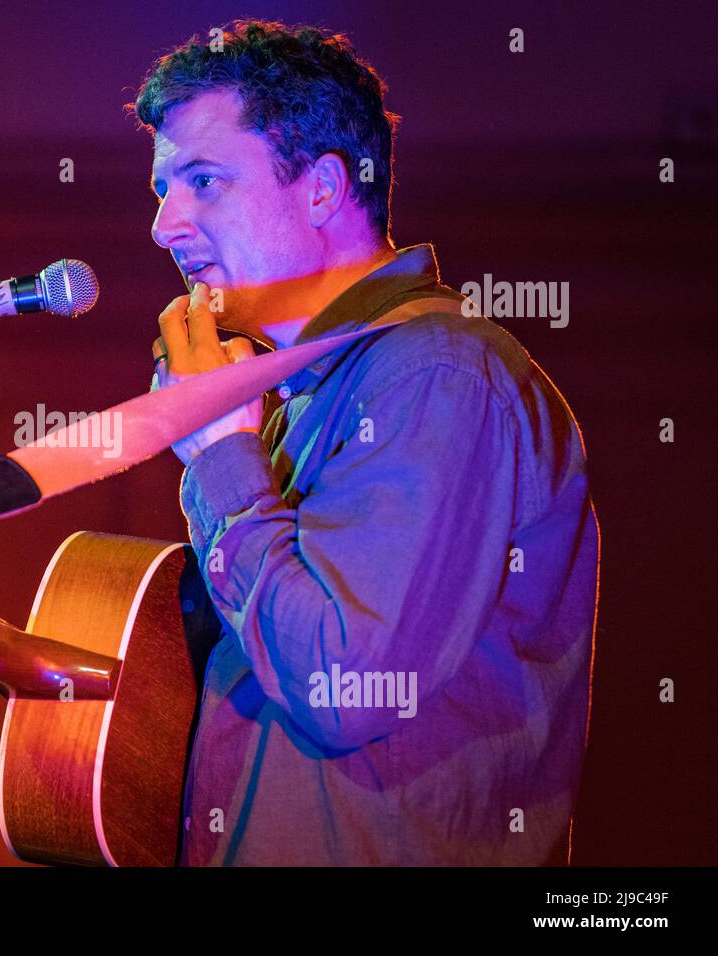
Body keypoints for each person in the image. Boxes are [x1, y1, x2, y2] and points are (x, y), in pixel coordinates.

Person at [134, 19, 599, 865]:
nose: (166, 225)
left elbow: (341, 688)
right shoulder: (299, 395)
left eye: (204, 181)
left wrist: (220, 461)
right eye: (164, 189)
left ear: (321, 189)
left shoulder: (436, 373)